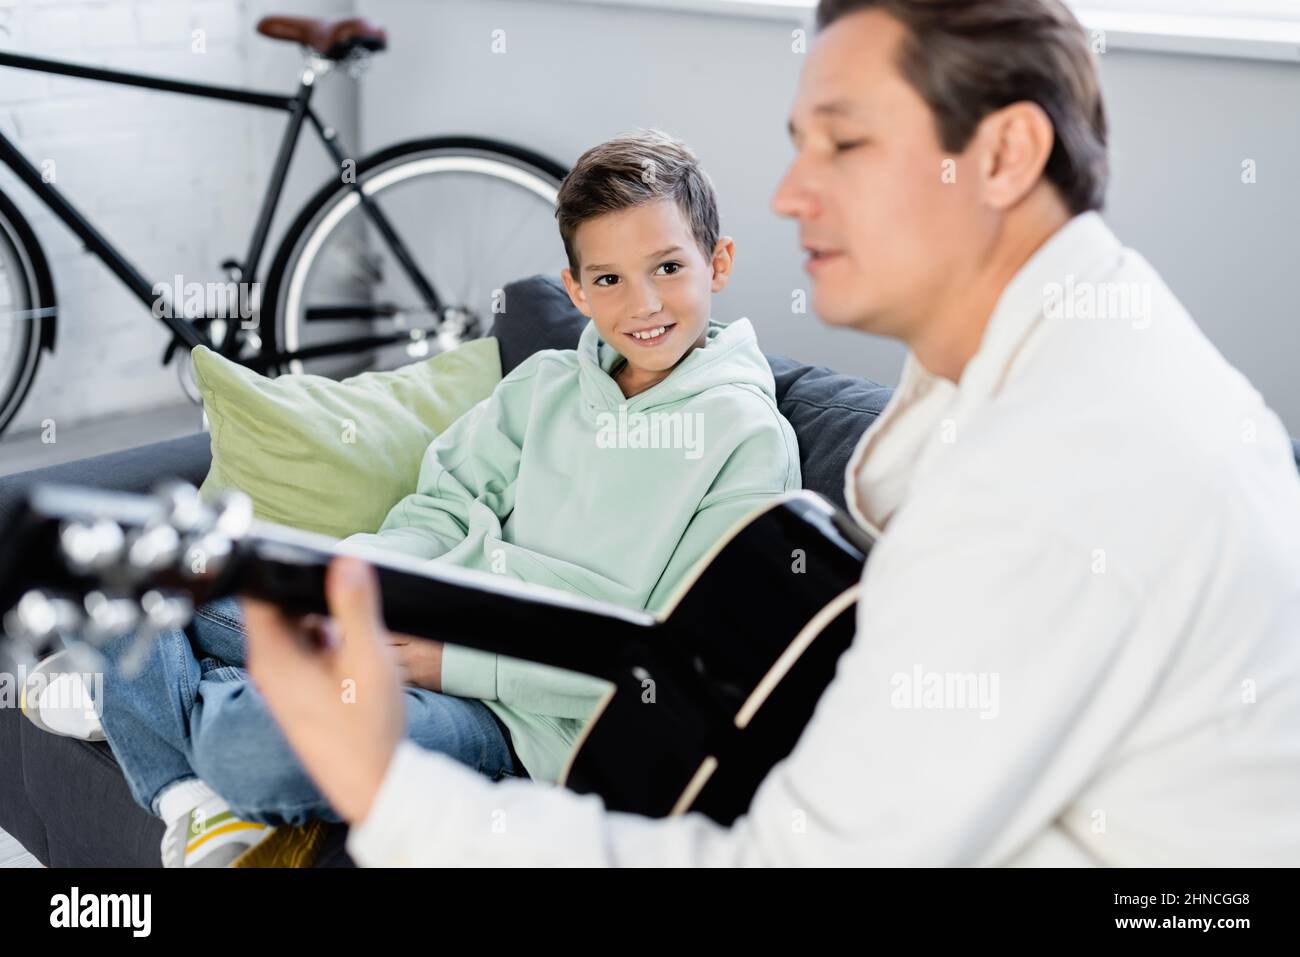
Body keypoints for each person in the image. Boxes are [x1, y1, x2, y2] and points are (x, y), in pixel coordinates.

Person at [245, 0, 1300, 866]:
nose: (792, 192)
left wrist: (385, 787)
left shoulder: (1061, 472)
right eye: (798, 145)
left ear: (1005, 153)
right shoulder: (1055, 366)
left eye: (843, 142)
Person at [25, 129, 801, 867]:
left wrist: (456, 661)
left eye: (668, 267)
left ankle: (143, 700)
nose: (644, 304)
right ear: (576, 288)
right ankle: (188, 793)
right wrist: (359, 590)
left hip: (516, 719)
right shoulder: (545, 386)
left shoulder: (745, 440)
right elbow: (438, 505)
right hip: (410, 620)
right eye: (609, 279)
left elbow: (674, 662)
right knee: (157, 566)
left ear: (718, 261)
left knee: (250, 739)